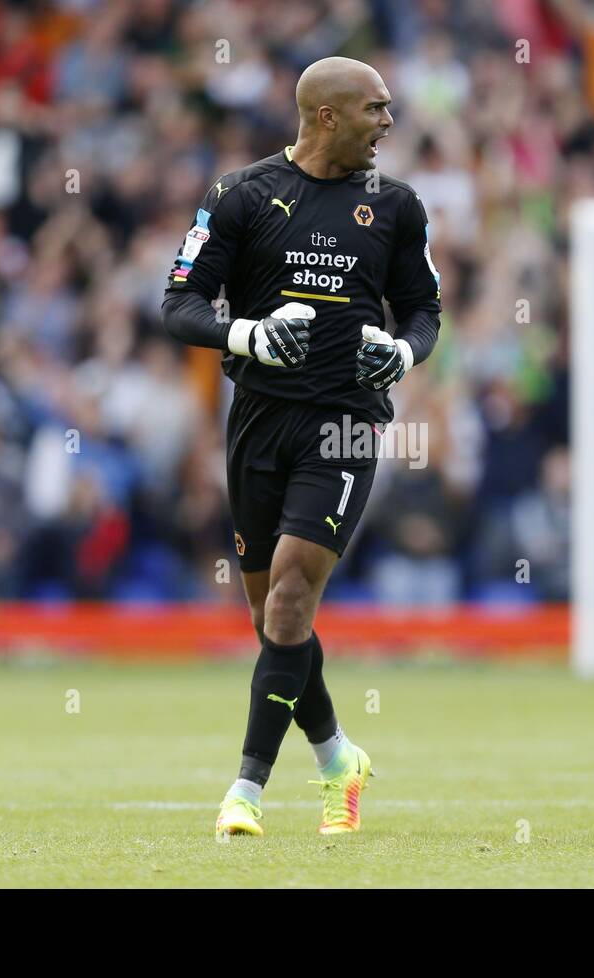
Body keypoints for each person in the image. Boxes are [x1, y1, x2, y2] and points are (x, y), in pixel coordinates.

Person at [161, 57, 442, 836]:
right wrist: (246, 334)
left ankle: (244, 792)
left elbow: (424, 309)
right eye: (376, 110)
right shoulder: (241, 195)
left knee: (290, 595)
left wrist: (405, 351)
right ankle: (337, 758)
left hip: (346, 422)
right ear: (326, 116)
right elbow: (178, 303)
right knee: (275, 620)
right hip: (258, 420)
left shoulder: (397, 207)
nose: (388, 123)